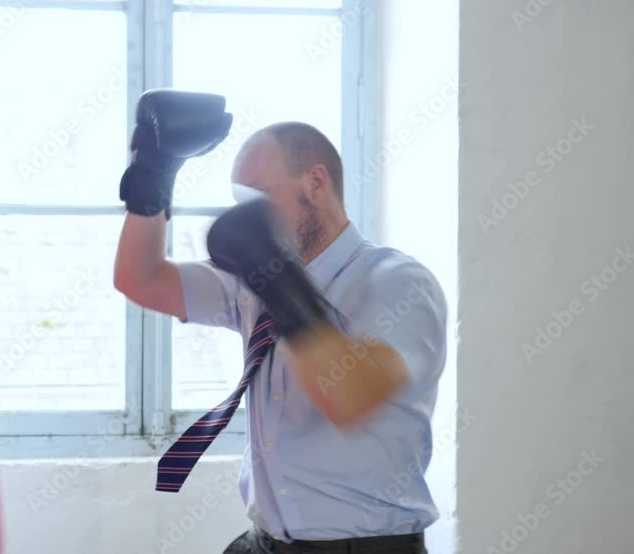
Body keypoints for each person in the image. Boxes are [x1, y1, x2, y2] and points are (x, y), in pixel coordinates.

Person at [113, 90, 447, 554]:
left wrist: (281, 287)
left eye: (259, 198)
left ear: (315, 182)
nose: (247, 216)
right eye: (240, 203)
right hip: (264, 542)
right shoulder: (256, 282)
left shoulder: (398, 284)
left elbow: (351, 398)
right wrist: (153, 176)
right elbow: (141, 279)